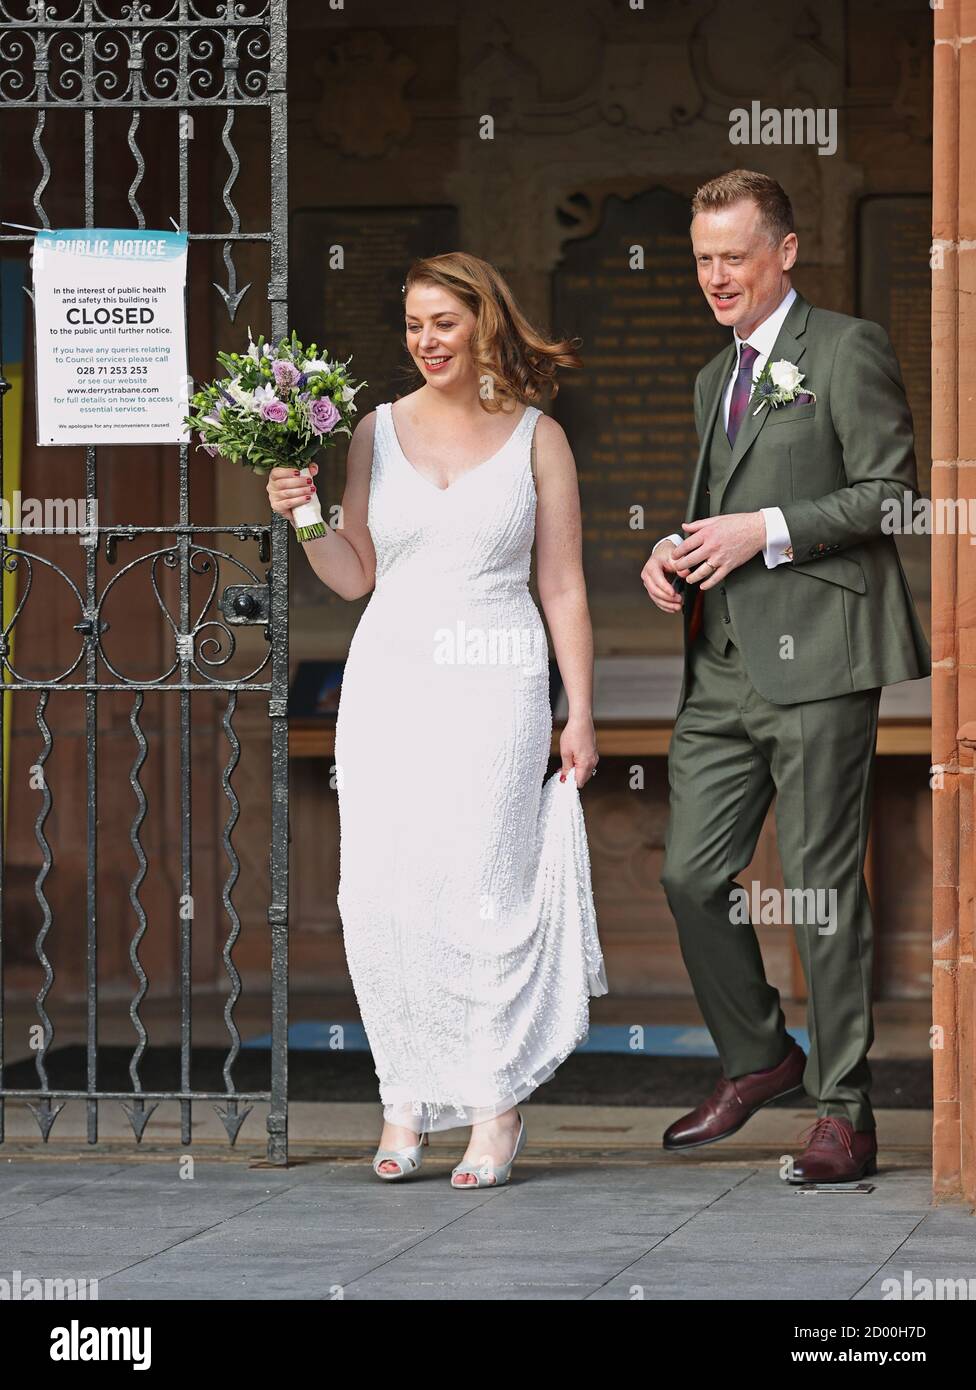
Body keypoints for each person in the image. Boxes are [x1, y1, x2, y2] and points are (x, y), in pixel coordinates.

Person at [268, 252, 607, 1188]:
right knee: (383, 890)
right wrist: (300, 515)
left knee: (483, 888)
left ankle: (495, 1111)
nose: (427, 341)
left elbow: (564, 585)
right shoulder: (372, 430)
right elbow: (352, 574)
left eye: (444, 323)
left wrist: (578, 712)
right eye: (414, 324)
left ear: (485, 322)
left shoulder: (539, 437)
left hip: (496, 681)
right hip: (389, 682)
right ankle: (405, 1098)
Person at [641, 170, 930, 1183]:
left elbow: (889, 495)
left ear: (785, 252)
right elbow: (715, 508)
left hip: (821, 656)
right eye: (702, 260)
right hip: (721, 669)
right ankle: (762, 1055)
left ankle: (845, 1114)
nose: (715, 277)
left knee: (817, 888)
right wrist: (672, 554)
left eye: (733, 256)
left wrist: (762, 531)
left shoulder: (843, 349)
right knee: (687, 873)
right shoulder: (708, 378)